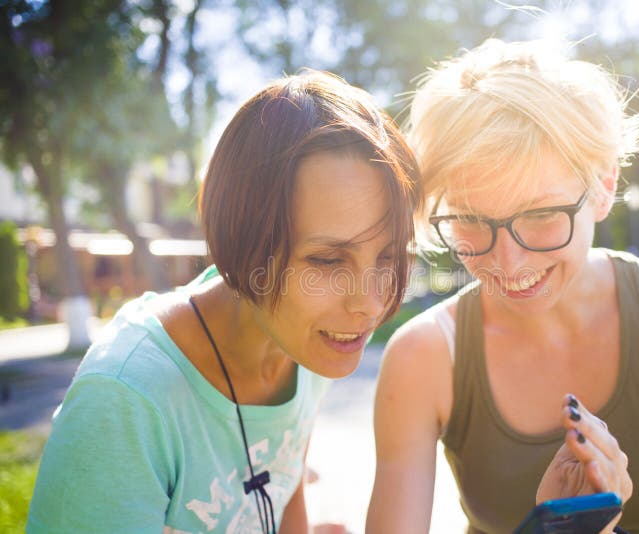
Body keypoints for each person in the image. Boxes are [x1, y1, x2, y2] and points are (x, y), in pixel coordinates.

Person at [367, 39, 639, 533]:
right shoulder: (421, 356)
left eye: (543, 214)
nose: (507, 261)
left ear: (605, 185)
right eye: (469, 220)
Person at [27, 70, 419, 533]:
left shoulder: (309, 347)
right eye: (329, 260)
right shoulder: (124, 401)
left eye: (389, 256)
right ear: (243, 241)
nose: (370, 304)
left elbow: (285, 491)